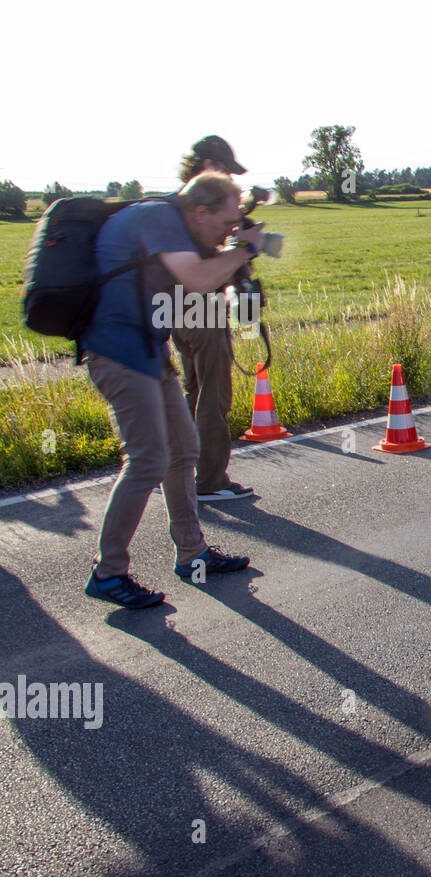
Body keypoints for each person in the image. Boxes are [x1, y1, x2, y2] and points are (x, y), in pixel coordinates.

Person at [81, 172, 258, 610]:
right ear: (200, 211)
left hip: (147, 350)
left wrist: (238, 257)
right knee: (147, 460)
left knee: (182, 450)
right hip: (117, 352)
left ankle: (193, 554)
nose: (227, 234)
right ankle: (108, 573)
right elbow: (198, 280)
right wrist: (245, 249)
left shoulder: (175, 228)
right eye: (225, 224)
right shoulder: (159, 218)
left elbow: (206, 284)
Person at [171, 135, 253, 502]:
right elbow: (210, 265)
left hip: (176, 307)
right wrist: (244, 246)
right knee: (214, 395)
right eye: (225, 170)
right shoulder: (200, 208)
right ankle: (210, 481)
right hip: (201, 308)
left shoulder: (178, 207)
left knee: (194, 392)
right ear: (207, 165)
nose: (229, 179)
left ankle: (187, 473)